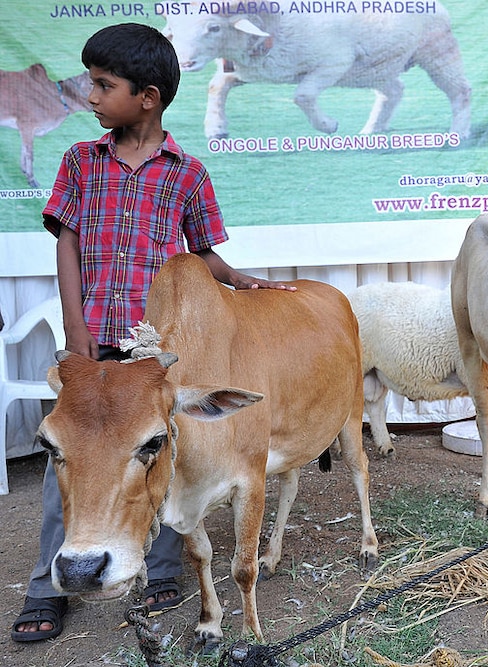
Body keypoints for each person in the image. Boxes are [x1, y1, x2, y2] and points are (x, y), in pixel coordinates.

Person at [11, 22, 295, 642]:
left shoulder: (186, 172)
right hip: (97, 348)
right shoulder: (81, 161)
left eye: (102, 84)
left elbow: (204, 257)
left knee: (165, 457)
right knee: (75, 460)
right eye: (91, 81)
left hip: (161, 355)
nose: (89, 94)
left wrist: (244, 281)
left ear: (148, 96)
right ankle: (47, 584)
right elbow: (67, 243)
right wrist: (76, 330)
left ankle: (156, 566)